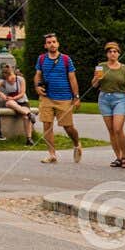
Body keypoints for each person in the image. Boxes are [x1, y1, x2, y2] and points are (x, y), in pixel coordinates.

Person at [32, 32, 82, 165]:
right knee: (47, 126)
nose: (52, 44)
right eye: (49, 42)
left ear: (58, 44)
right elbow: (37, 75)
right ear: (45, 45)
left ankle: (77, 143)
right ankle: (51, 154)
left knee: (68, 127)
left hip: (64, 98)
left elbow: (72, 78)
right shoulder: (41, 59)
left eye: (54, 42)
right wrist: (37, 87)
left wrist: (76, 96)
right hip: (47, 97)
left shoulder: (66, 59)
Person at [92, 42, 125, 169]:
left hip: (120, 98)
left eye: (115, 51)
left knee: (118, 128)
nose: (112, 54)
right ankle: (118, 157)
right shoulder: (101, 67)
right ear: (107, 54)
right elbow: (94, 85)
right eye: (110, 51)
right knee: (111, 130)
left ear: (119, 53)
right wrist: (96, 79)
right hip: (104, 98)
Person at [0, 63, 35, 144]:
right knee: (9, 103)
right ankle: (29, 113)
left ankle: (29, 139)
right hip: (12, 101)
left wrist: (13, 98)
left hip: (22, 100)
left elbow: (22, 93)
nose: (10, 80)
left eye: (11, 78)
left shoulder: (20, 79)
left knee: (25, 118)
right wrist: (1, 94)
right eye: (8, 79)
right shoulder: (3, 80)